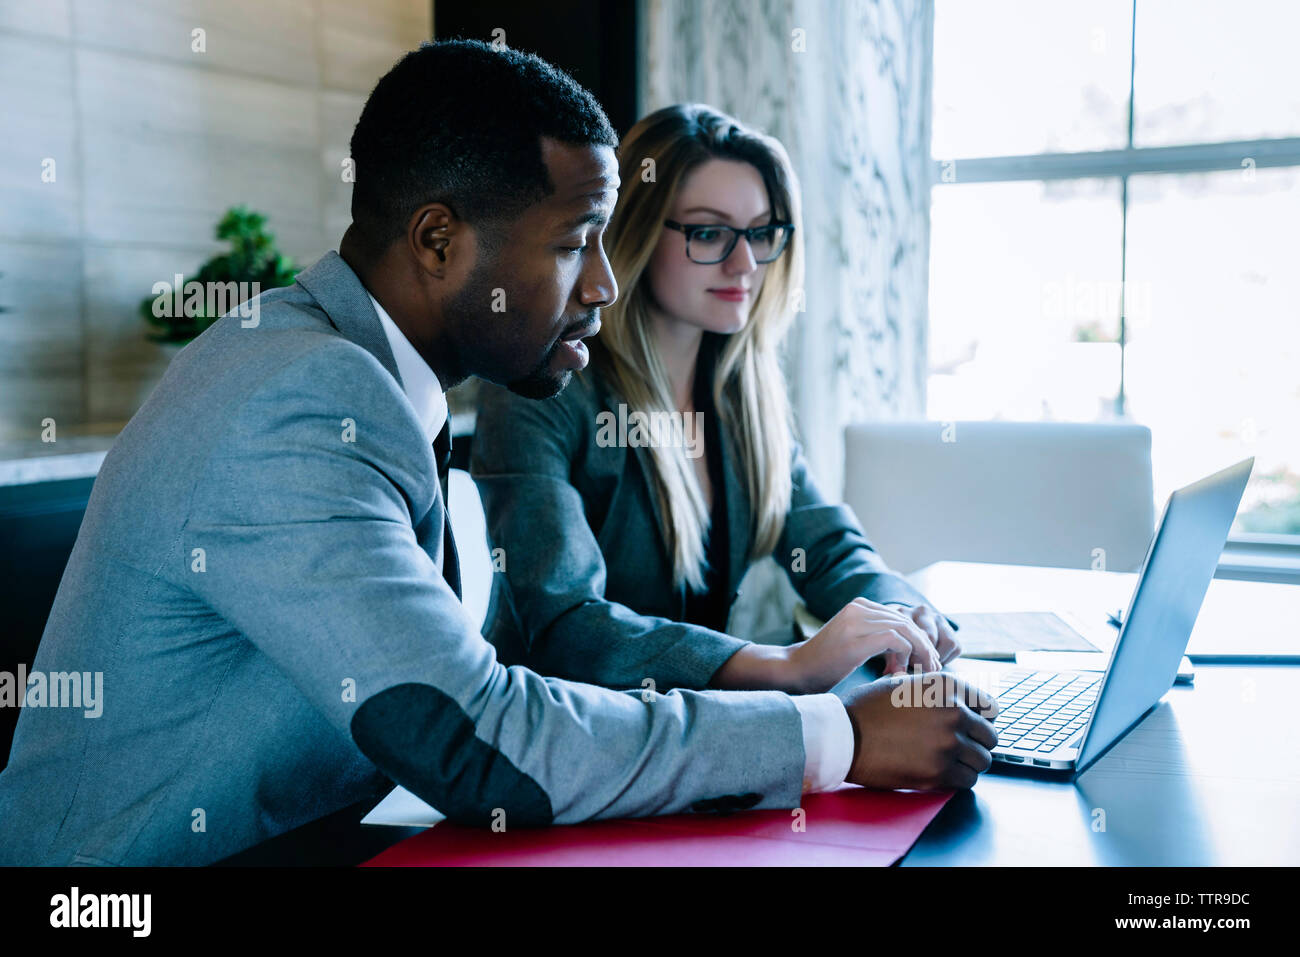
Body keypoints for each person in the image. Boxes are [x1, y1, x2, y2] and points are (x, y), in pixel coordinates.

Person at [0, 45, 996, 867]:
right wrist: (839, 736)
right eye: (577, 242)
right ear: (439, 241)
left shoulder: (364, 377)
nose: (605, 285)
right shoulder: (298, 396)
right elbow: (474, 738)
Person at [473, 103, 961, 697]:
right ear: (638, 234)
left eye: (760, 233)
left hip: (700, 736)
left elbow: (830, 549)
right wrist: (784, 664)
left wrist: (901, 611)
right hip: (563, 736)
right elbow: (565, 622)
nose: (745, 263)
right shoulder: (543, 387)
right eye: (708, 232)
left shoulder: (740, 393)